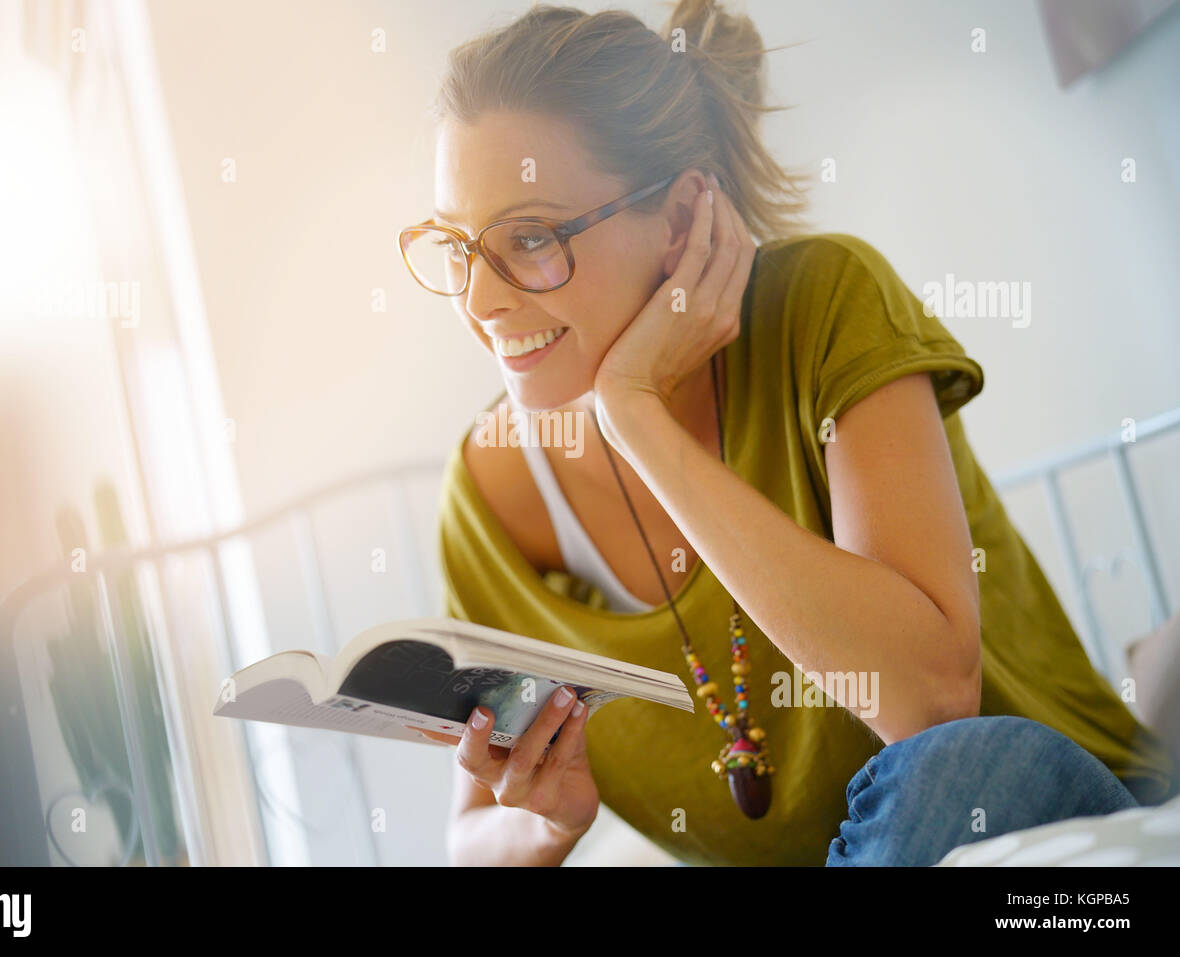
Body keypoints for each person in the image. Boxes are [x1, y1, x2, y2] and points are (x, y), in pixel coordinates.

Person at [397, 0, 1178, 866]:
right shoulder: (489, 497)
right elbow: (468, 841)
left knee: (959, 763)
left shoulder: (825, 303)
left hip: (1021, 790)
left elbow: (928, 703)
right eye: (458, 248)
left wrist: (635, 416)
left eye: (532, 236)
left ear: (685, 214)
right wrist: (547, 819)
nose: (479, 301)